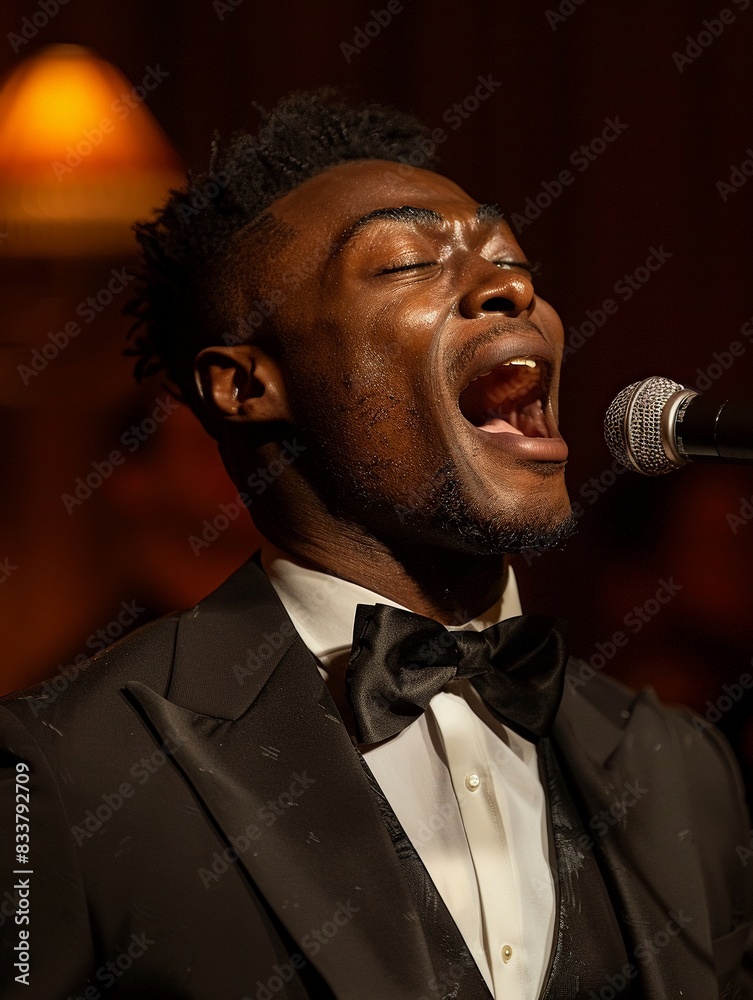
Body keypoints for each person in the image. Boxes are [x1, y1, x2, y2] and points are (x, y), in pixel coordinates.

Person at [0, 90, 750, 1000]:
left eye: (514, 261)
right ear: (244, 386)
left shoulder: (679, 771)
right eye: (404, 263)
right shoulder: (60, 771)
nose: (512, 287)